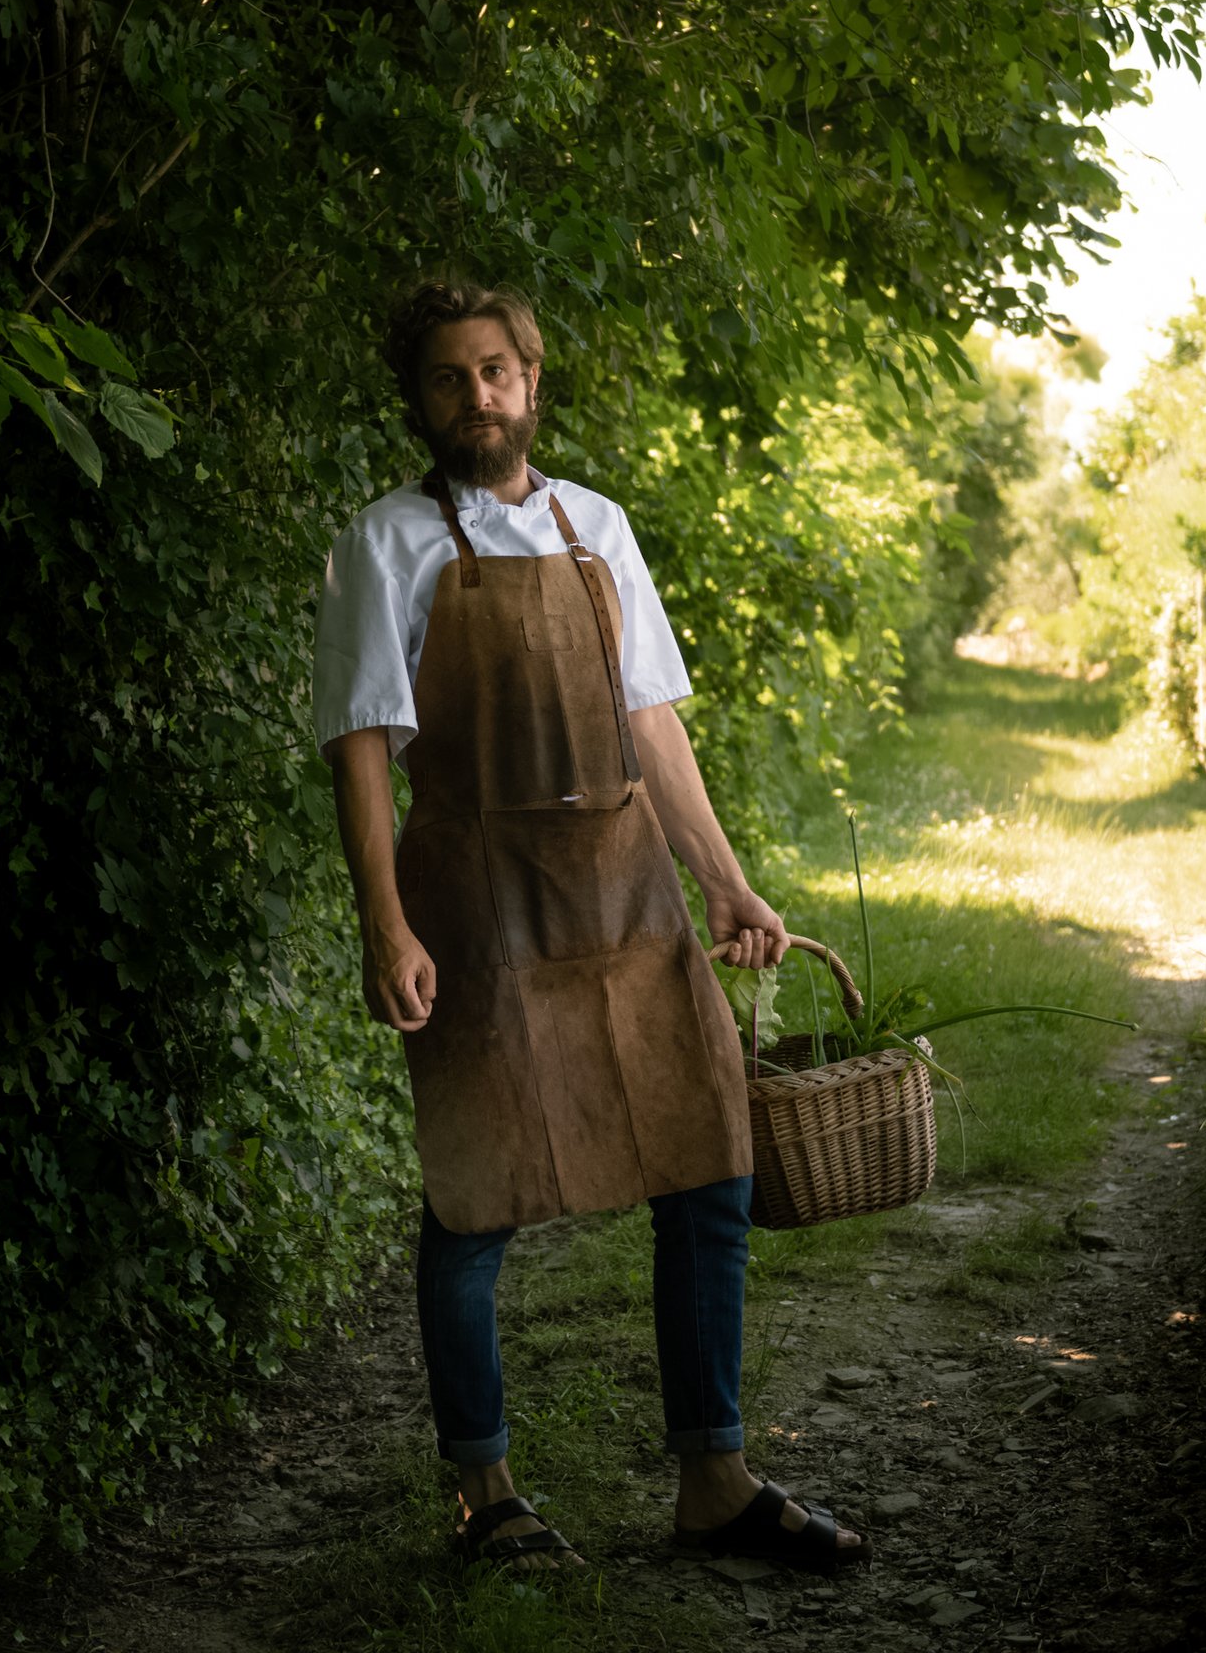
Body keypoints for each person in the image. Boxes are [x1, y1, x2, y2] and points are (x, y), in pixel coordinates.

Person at [310, 280, 869, 1573]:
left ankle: (714, 1479)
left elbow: (652, 722)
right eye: (450, 377)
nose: (478, 396)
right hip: (480, 898)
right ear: (421, 399)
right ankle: (484, 1494)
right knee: (473, 1193)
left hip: (624, 891)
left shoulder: (595, 528)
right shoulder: (382, 546)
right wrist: (381, 922)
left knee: (710, 1164)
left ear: (532, 382)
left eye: (497, 370)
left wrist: (724, 881)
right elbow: (358, 752)